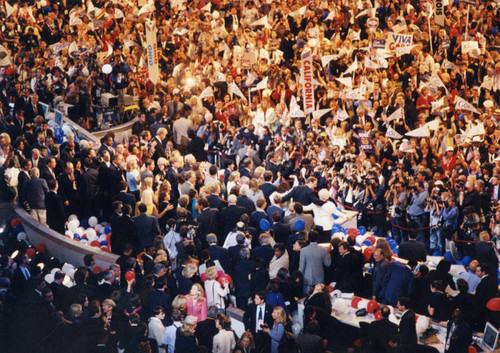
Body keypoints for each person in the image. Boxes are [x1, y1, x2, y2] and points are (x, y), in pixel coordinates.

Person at [298, 230, 331, 295]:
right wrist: (328, 253)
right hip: (320, 279)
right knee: (319, 298)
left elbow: (301, 267)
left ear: (308, 238)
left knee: (307, 299)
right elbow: (328, 264)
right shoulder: (323, 250)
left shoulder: (303, 251)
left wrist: (299, 278)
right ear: (318, 238)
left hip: (307, 280)